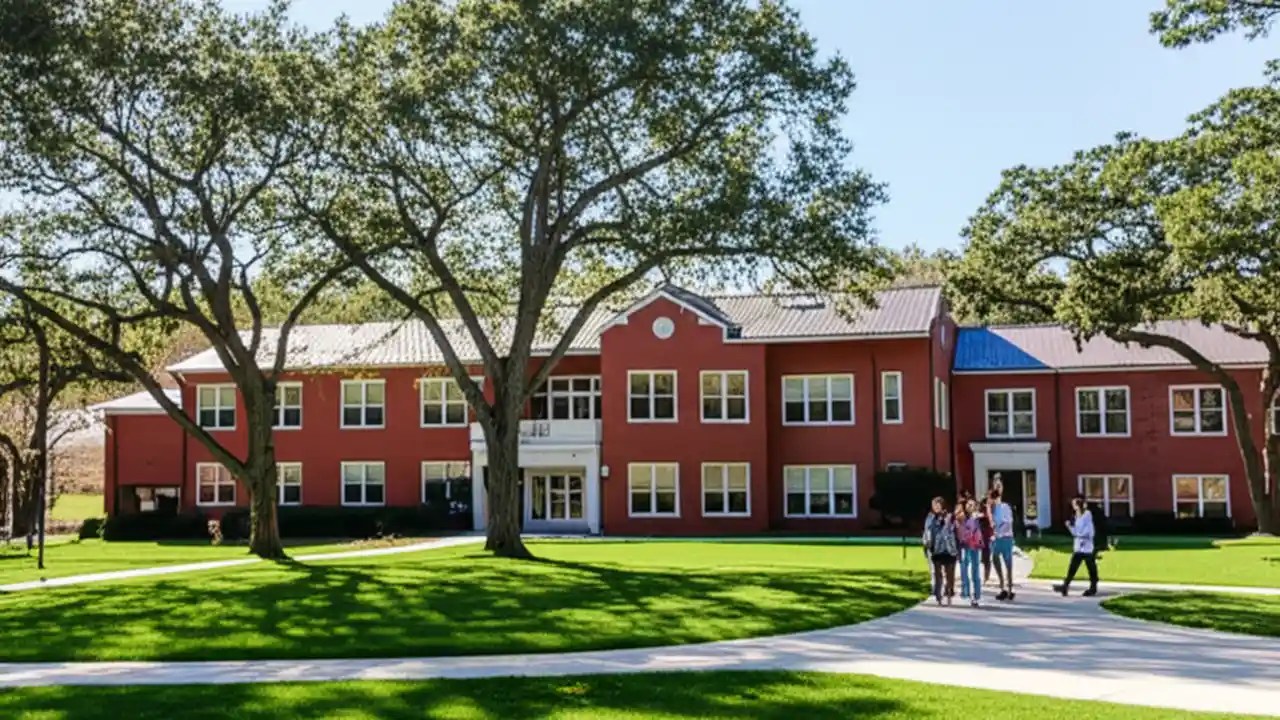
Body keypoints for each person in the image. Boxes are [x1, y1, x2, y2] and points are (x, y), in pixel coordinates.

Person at [1054, 496, 1099, 597]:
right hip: (1078, 546)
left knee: (1091, 567)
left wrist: (1082, 535)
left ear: (1078, 506)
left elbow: (1090, 531)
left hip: (1087, 547)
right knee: (1073, 566)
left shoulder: (1087, 515)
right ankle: (1065, 586)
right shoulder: (1076, 517)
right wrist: (1069, 526)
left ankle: (1093, 587)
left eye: (1074, 505)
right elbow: (1075, 533)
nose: (1073, 507)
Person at [922, 496, 958, 605]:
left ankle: (949, 590)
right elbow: (927, 531)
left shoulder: (949, 516)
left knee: (949, 573)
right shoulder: (930, 518)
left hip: (948, 548)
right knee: (937, 573)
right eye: (934, 505)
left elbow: (953, 529)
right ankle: (938, 595)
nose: (936, 507)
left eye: (938, 505)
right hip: (936, 549)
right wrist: (926, 544)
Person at [989, 487, 1016, 601]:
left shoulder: (1005, 507)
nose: (992, 501)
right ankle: (1002, 585)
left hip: (1006, 537)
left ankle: (1009, 589)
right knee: (994, 558)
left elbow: (1008, 522)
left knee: (1008, 563)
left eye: (994, 498)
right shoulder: (994, 509)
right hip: (997, 538)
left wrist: (999, 530)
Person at [957, 499, 985, 607]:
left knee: (975, 570)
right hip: (965, 546)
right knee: (964, 567)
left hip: (975, 546)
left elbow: (983, 516)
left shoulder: (976, 517)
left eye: (972, 505)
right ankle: (966, 592)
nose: (970, 506)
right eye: (968, 504)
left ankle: (976, 595)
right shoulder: (962, 517)